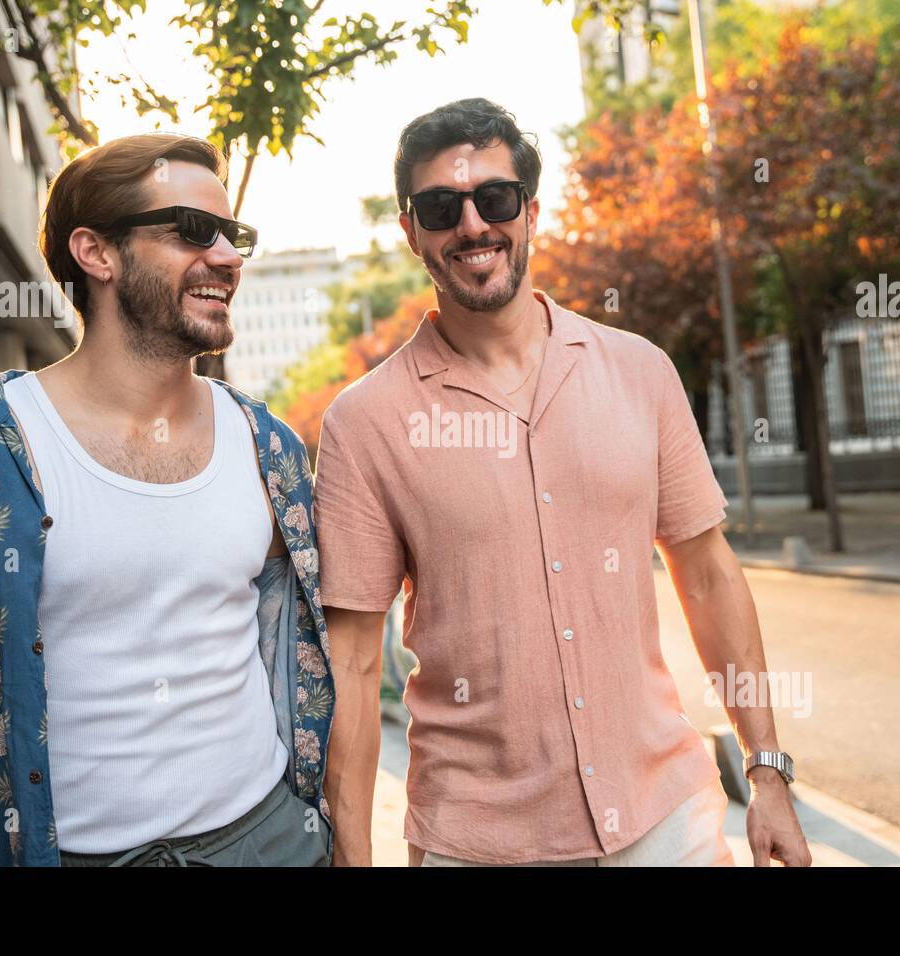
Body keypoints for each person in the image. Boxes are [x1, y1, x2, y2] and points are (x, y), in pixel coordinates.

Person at [315, 98, 810, 867]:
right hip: (479, 841)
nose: (473, 225)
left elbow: (708, 577)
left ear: (531, 211)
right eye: (442, 207)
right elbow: (350, 662)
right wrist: (352, 859)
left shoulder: (639, 370)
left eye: (495, 199)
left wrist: (767, 768)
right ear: (411, 231)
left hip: (665, 819)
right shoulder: (366, 422)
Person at [0, 132, 333, 867]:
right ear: (97, 252)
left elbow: (298, 652)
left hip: (269, 840)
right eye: (193, 231)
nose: (229, 257)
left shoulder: (267, 447)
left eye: (232, 234)